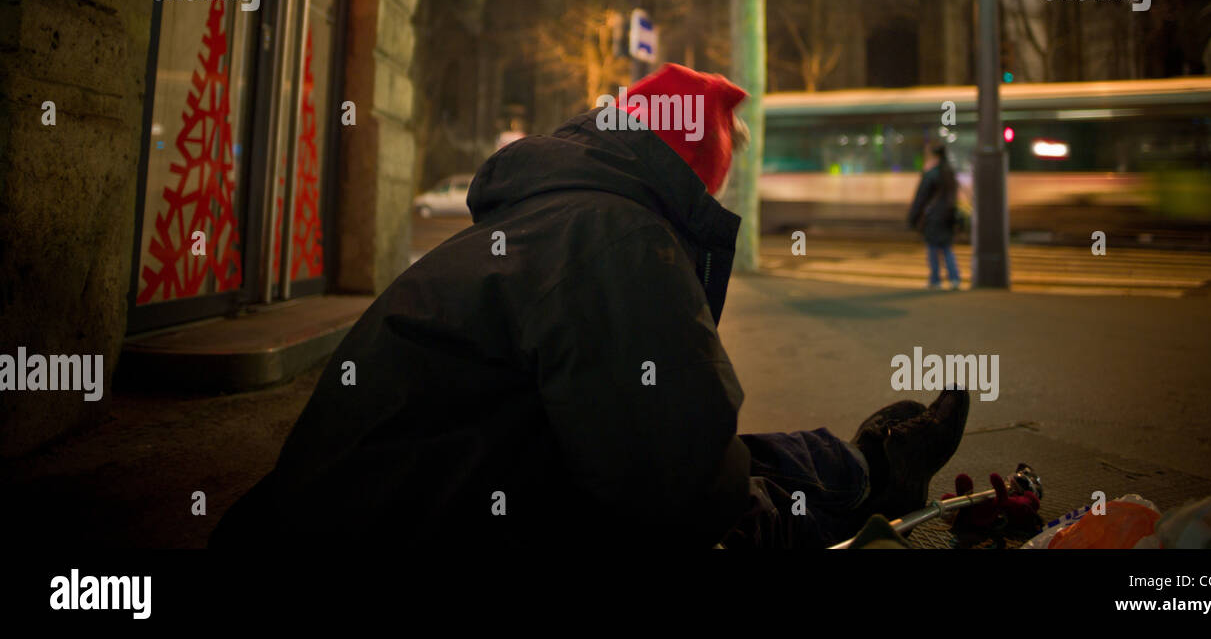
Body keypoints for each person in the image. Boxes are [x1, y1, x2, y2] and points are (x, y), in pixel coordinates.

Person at [211, 63, 969, 550]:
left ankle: (856, 460)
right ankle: (871, 476)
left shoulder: (540, 217)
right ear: (687, 174)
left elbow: (653, 442)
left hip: (351, 513)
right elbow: (684, 495)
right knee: (743, 499)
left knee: (741, 460)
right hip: (422, 523)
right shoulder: (618, 239)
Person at [908, 143, 961, 291]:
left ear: (934, 156)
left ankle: (935, 280)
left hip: (934, 217)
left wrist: (912, 218)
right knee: (947, 248)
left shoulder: (931, 174)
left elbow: (921, 198)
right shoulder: (950, 173)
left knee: (932, 248)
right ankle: (954, 279)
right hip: (949, 215)